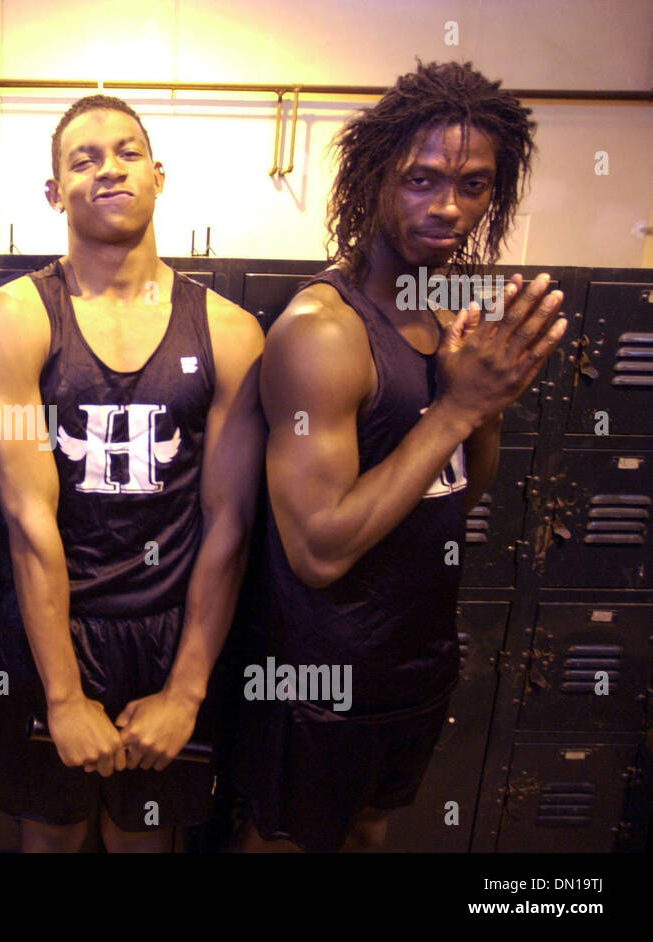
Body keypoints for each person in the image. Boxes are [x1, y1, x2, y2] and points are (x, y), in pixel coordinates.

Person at [233, 60, 567, 853]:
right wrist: (457, 406)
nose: (448, 206)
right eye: (421, 179)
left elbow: (459, 494)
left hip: (414, 664)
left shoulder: (446, 312)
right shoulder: (324, 331)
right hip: (320, 679)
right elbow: (318, 550)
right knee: (287, 842)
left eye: (475, 185)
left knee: (370, 834)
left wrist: (481, 413)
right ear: (374, 175)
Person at [0, 95, 265, 852]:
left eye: (128, 152)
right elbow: (27, 522)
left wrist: (186, 692)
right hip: (52, 630)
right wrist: (64, 696)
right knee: (53, 840)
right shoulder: (14, 317)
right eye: (84, 158)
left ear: (158, 176)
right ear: (53, 192)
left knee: (147, 842)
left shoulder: (231, 332)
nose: (109, 169)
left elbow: (228, 525)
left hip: (171, 632)